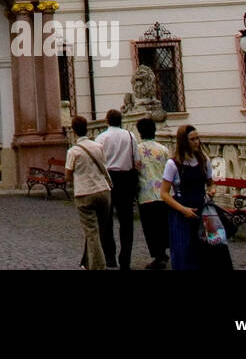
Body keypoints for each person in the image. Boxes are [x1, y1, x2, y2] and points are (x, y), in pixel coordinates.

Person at [160, 124, 230, 270]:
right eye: (192, 139)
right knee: (185, 250)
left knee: (211, 248)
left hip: (202, 209)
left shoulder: (204, 160)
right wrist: (183, 209)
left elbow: (211, 183)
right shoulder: (173, 164)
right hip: (182, 211)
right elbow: (164, 193)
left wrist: (211, 191)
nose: (196, 142)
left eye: (197, 138)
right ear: (184, 141)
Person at [65, 115, 114, 270]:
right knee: (98, 229)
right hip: (103, 191)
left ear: (74, 131)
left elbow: (68, 175)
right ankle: (86, 262)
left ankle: (98, 266)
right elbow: (104, 164)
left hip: (84, 193)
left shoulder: (73, 151)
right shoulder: (98, 146)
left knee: (91, 231)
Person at [95, 108, 138, 270]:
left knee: (106, 221)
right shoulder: (130, 135)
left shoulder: (101, 138)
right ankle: (125, 259)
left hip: (108, 179)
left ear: (107, 121)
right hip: (126, 179)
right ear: (121, 120)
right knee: (126, 221)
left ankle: (110, 256)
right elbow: (136, 159)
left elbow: (98, 161)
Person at [133, 117, 170, 270]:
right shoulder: (163, 149)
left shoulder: (137, 150)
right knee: (162, 225)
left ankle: (158, 256)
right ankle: (163, 253)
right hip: (163, 193)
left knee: (150, 228)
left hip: (145, 193)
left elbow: (135, 170)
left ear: (140, 132)